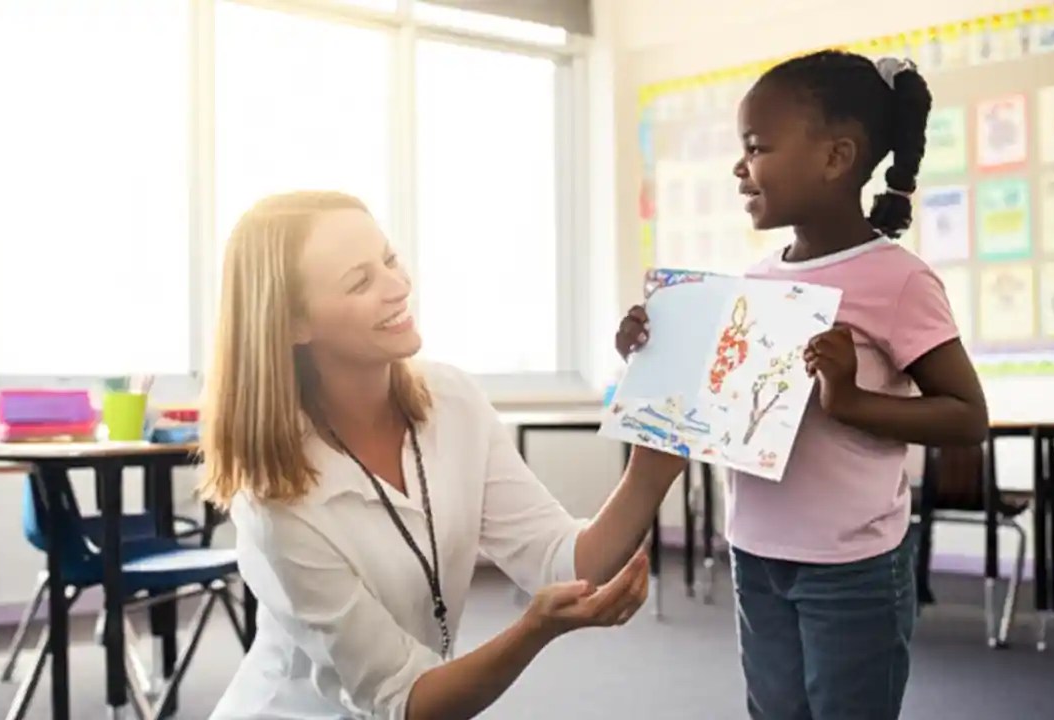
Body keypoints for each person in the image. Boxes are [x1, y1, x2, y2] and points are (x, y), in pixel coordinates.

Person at [200, 190, 688, 720]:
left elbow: (562, 561)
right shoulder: (277, 504)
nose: (398, 286)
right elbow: (405, 701)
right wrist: (533, 630)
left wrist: (650, 467)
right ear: (293, 323)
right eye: (360, 281)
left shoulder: (451, 401)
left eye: (389, 260)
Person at [618, 51, 989, 720]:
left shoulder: (897, 280)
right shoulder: (755, 280)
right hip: (756, 551)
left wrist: (851, 402)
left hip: (852, 564)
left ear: (835, 157)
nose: (739, 168)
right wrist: (652, 352)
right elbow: (721, 409)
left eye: (756, 148)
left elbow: (967, 417)